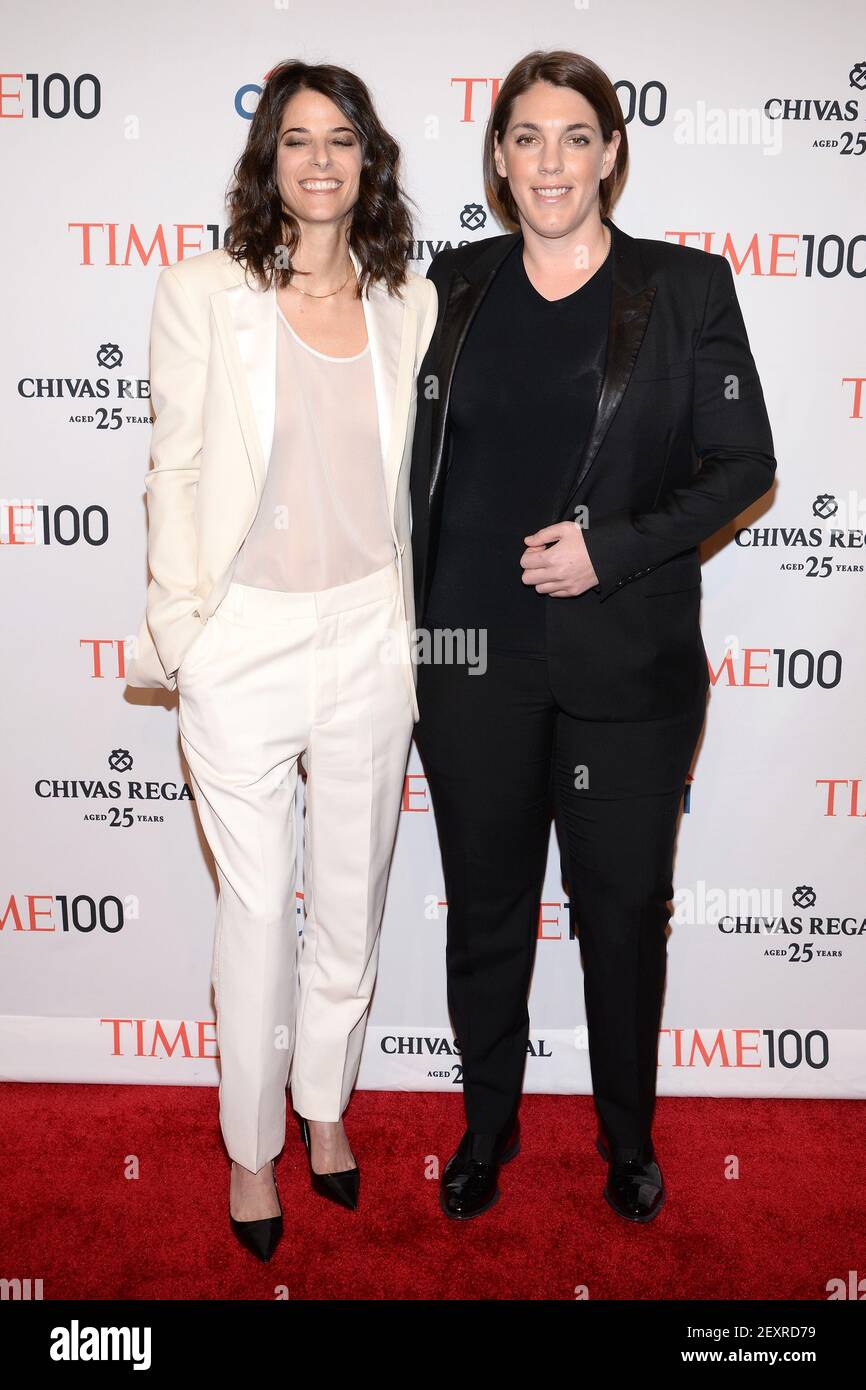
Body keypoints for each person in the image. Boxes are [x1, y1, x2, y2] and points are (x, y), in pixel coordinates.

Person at [409, 49, 776, 1223]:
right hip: (469, 657)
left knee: (619, 916)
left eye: (573, 136)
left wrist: (606, 547)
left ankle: (627, 1139)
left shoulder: (683, 287)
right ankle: (484, 1129)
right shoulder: (448, 287)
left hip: (627, 661)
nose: (548, 161)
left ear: (610, 151)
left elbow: (745, 464)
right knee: (485, 911)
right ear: (498, 156)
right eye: (524, 137)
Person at [125, 59, 437, 1260]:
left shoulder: (404, 301)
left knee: (348, 904)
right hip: (242, 640)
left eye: (342, 139)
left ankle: (323, 1111)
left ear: (370, 161)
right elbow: (178, 469)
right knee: (257, 911)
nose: (319, 159)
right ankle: (251, 1147)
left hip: (367, 628)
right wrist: (187, 636)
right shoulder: (206, 289)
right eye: (296, 139)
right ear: (269, 163)